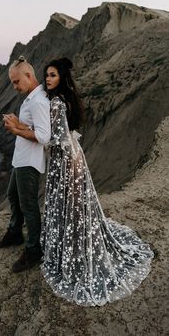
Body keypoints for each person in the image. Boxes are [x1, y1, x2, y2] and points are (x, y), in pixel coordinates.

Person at [40, 57, 154, 306]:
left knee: (70, 206)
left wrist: (30, 134)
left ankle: (74, 253)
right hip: (74, 154)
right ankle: (78, 246)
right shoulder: (64, 100)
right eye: (46, 75)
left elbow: (55, 139)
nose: (48, 79)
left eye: (52, 75)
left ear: (61, 79)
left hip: (66, 160)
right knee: (77, 206)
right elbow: (68, 134)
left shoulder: (56, 103)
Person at [0, 56, 51, 274]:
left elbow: (44, 136)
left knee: (29, 205)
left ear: (28, 75)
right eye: (12, 82)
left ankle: (33, 249)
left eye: (16, 82)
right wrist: (17, 123)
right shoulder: (31, 97)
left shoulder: (38, 101)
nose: (14, 86)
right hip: (21, 159)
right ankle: (15, 232)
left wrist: (15, 129)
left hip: (29, 162)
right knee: (13, 196)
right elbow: (31, 126)